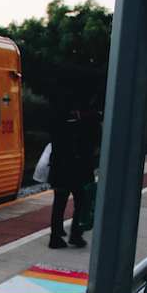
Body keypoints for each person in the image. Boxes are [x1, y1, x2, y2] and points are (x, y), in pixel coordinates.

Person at [47, 90, 100, 249]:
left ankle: (55, 236)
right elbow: (92, 143)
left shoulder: (56, 121)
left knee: (59, 204)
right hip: (77, 172)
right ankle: (75, 234)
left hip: (59, 169)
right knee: (80, 202)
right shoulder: (80, 124)